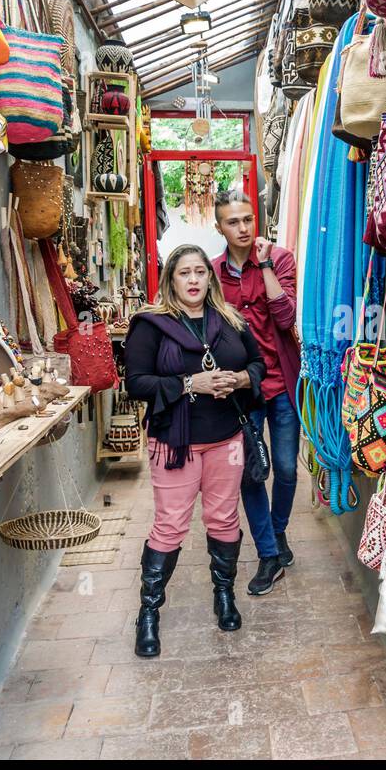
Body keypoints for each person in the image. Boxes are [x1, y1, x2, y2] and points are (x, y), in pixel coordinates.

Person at [124, 244, 266, 656]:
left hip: (228, 440)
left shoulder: (231, 319)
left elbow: (258, 366)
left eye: (199, 272)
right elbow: (136, 382)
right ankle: (148, 612)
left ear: (210, 276)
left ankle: (225, 596)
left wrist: (238, 381)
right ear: (171, 279)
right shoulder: (151, 325)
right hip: (175, 443)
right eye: (183, 273)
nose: (192, 280)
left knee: (223, 519)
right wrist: (191, 384)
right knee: (170, 525)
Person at [213, 191, 301, 596]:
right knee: (250, 474)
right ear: (220, 228)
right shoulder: (212, 273)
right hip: (241, 390)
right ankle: (268, 553)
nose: (243, 228)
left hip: (281, 382)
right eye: (233, 222)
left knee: (284, 468)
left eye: (248, 219)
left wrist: (264, 264)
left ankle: (278, 531)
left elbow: (284, 318)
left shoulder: (279, 259)